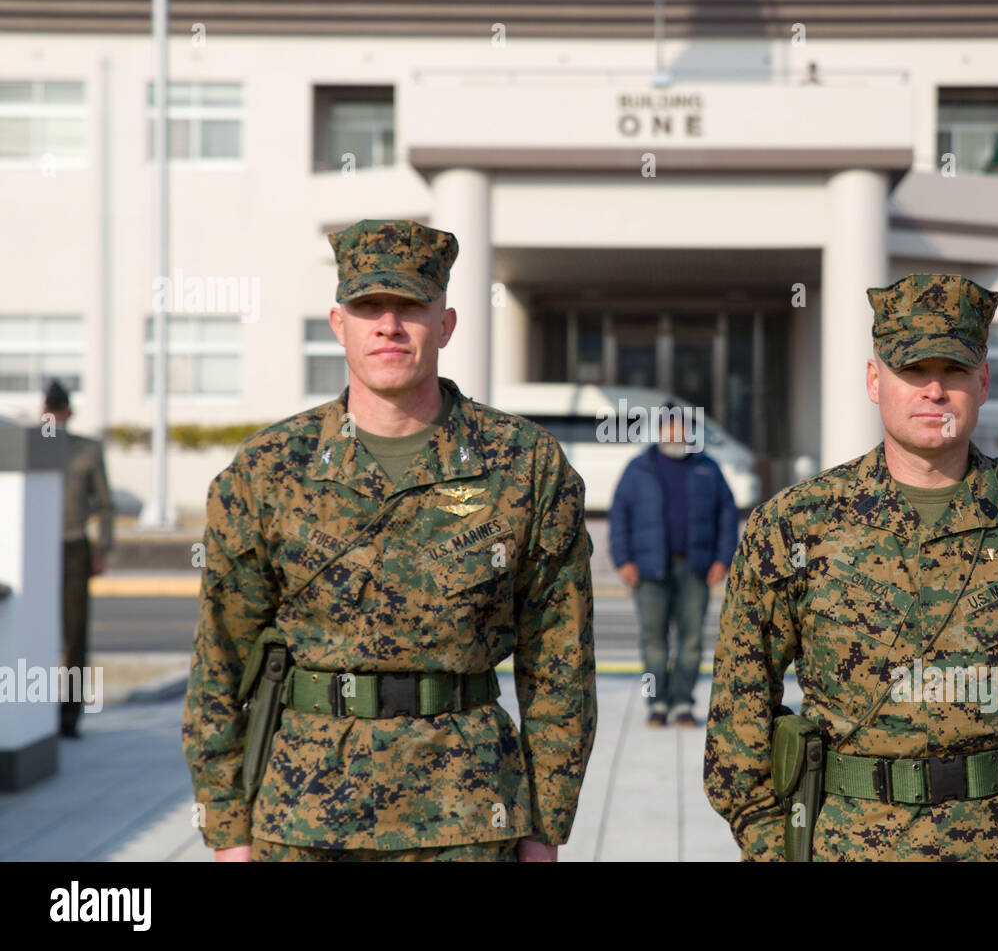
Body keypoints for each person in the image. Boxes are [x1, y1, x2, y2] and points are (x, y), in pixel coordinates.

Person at [182, 219, 597, 862]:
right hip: (303, 818)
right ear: (337, 323)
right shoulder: (269, 468)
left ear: (447, 323)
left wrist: (546, 829)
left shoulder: (524, 465)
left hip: (467, 819)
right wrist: (227, 831)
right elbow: (219, 661)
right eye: (368, 307)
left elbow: (559, 666)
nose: (388, 326)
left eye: (409, 307)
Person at [704, 273, 998, 861]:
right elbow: (739, 703)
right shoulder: (797, 524)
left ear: (983, 381)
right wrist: (772, 846)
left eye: (952, 371)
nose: (934, 391)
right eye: (912, 371)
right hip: (845, 846)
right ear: (876, 382)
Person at [610, 408, 737, 727]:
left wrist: (723, 559)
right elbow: (619, 515)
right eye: (670, 428)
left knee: (692, 641)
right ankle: (656, 703)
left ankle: (682, 702)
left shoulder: (707, 467)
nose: (676, 435)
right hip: (650, 570)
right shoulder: (639, 468)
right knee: (653, 642)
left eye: (682, 429)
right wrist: (623, 560)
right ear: (660, 431)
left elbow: (727, 514)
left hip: (695, 567)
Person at [44, 379, 113, 739]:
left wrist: (101, 550)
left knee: (74, 634)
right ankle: (35, 713)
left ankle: (69, 717)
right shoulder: (34, 448)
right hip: (37, 549)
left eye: (59, 410)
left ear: (69, 412)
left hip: (73, 546)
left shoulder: (87, 450)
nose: (54, 417)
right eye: (49, 411)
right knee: (37, 633)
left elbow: (104, 504)